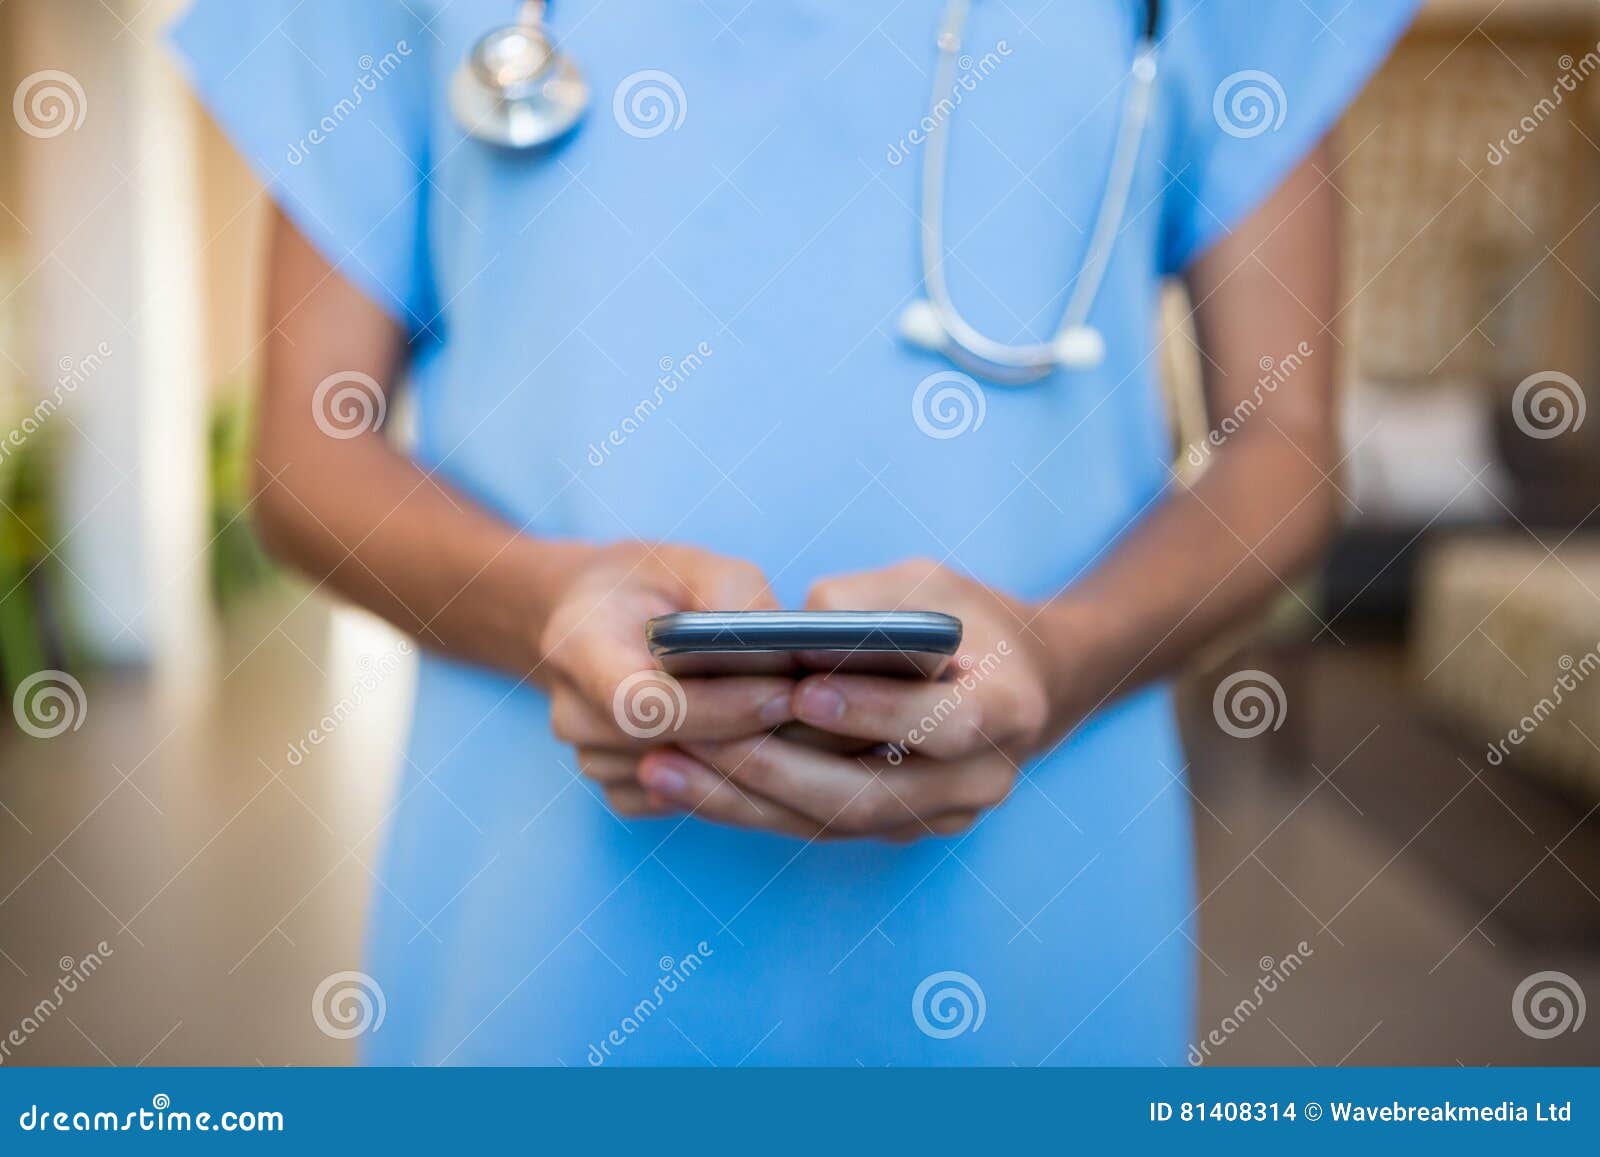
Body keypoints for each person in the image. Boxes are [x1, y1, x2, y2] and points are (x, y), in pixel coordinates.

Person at [170, 0, 1420, 1064]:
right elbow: (307, 449)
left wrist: (1065, 654)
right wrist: (539, 605)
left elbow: (1283, 447)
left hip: (1035, 921)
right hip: (540, 935)